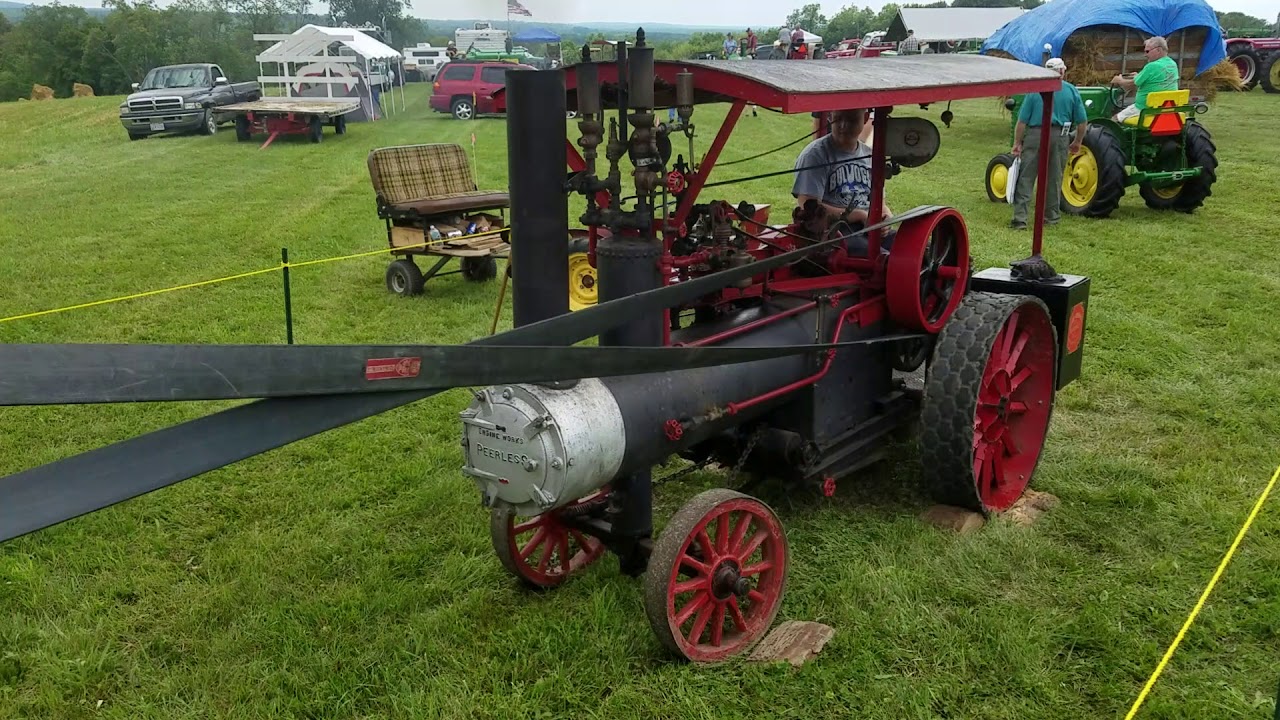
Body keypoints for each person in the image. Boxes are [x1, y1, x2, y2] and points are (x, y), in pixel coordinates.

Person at [792, 108, 895, 254]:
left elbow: (881, 204)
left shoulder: (870, 155)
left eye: (852, 120)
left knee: (915, 250)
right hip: (832, 231)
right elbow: (808, 207)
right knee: (885, 259)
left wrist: (885, 221)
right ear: (829, 117)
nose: (843, 125)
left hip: (869, 227)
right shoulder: (815, 155)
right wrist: (860, 216)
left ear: (865, 118)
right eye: (838, 118)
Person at [1010, 57, 1088, 230]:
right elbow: (1082, 122)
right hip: (1060, 136)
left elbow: (1022, 121)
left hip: (1036, 134)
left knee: (1026, 176)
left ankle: (1020, 219)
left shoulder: (1035, 91)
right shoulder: (1071, 90)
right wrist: (1077, 142)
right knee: (1054, 177)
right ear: (1063, 71)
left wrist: (1017, 142)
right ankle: (1051, 218)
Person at [1110, 35, 1179, 122]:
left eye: (1147, 51)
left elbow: (1131, 84)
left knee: (1113, 120)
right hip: (1167, 107)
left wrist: (1119, 80)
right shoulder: (1172, 64)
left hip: (1146, 108)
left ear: (1158, 50)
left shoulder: (1152, 66)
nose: (1145, 55)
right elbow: (1154, 79)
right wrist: (1138, 76)